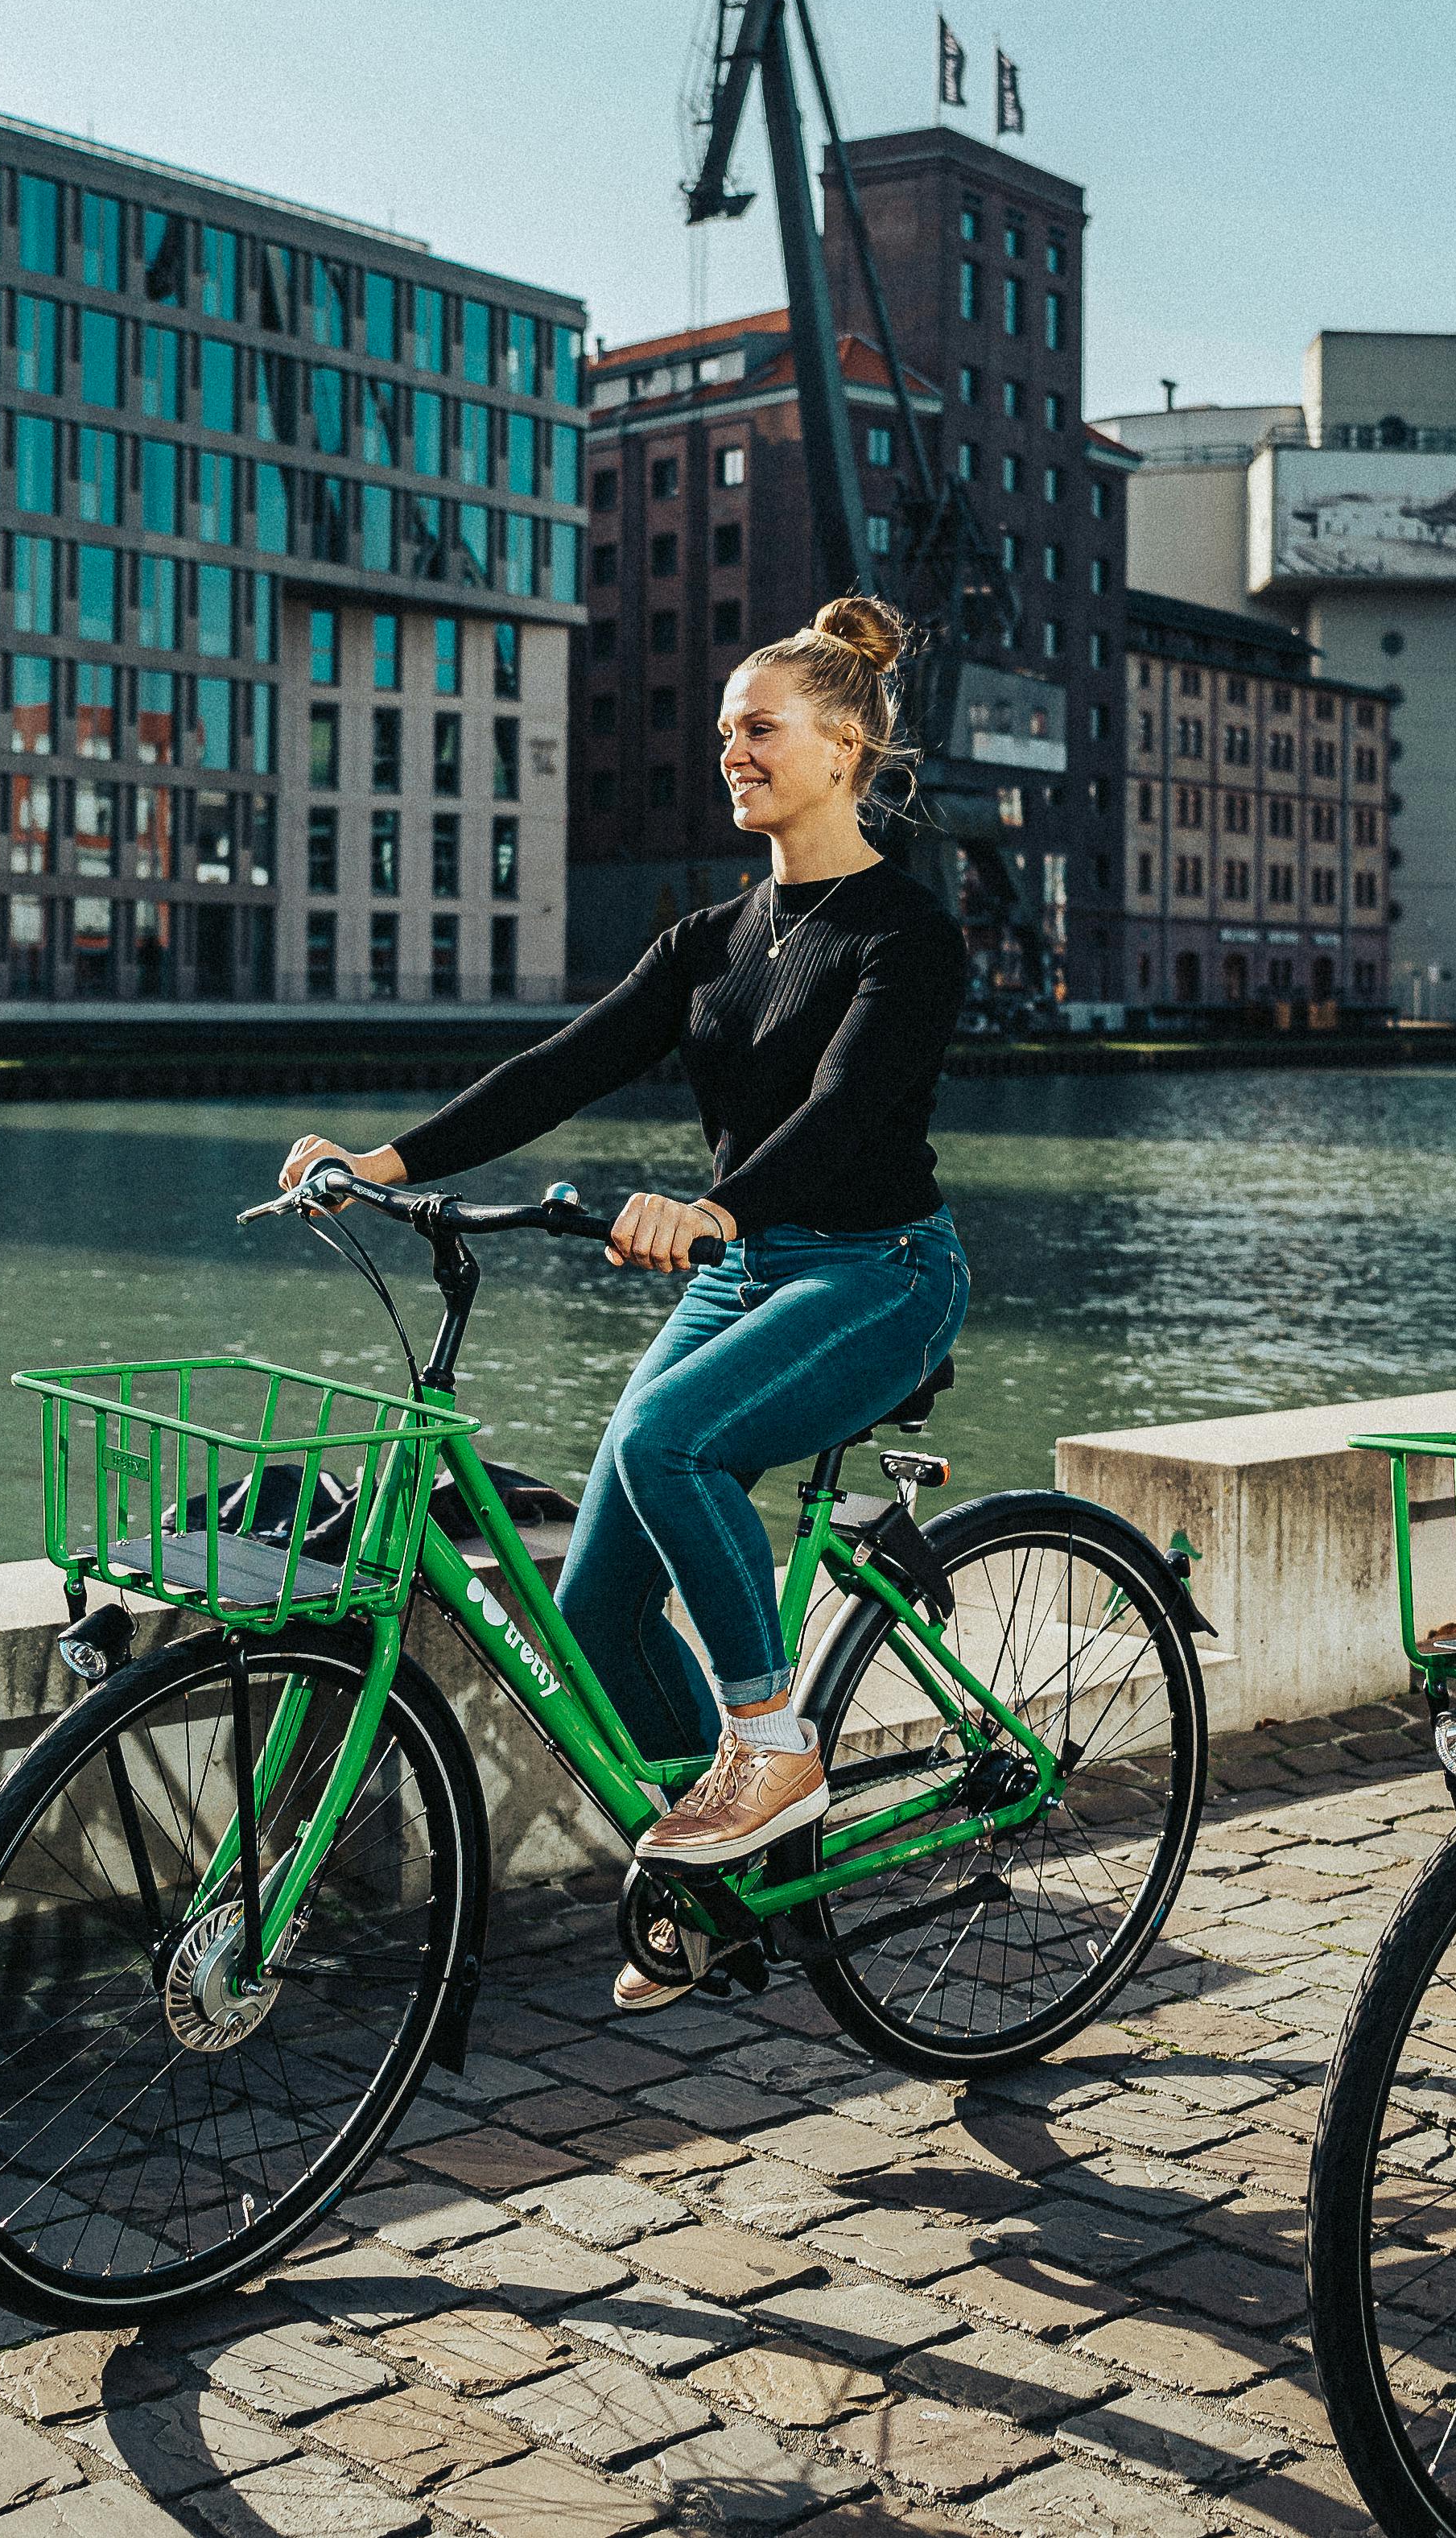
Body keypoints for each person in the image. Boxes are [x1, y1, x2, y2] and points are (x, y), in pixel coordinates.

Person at [278, 596, 967, 2008]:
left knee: (669, 1442)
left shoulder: (908, 927)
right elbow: (559, 1064)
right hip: (749, 1269)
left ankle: (770, 1746)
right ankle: (724, 1890)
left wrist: (717, 1204)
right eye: (722, 731)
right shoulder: (710, 937)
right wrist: (379, 1163)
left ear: (844, 747)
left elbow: (847, 1109)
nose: (730, 751)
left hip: (877, 1268)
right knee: (592, 1614)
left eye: (757, 727)